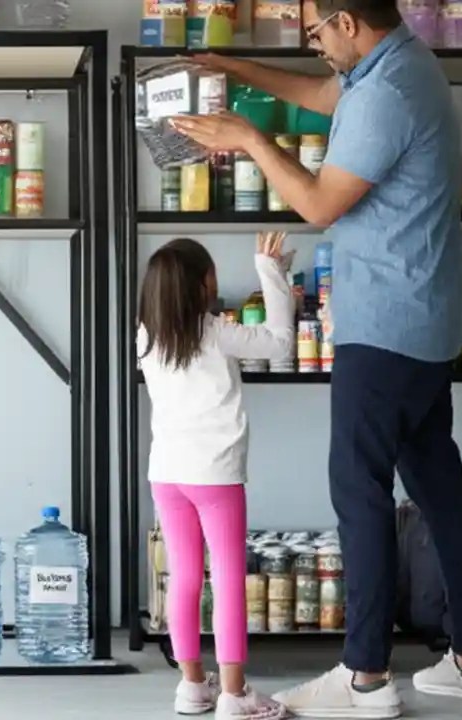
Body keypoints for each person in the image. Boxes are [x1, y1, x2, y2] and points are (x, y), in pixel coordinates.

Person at [170, 1, 462, 717]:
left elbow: (320, 205)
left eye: (318, 32)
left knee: (358, 494)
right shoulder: (402, 66)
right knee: (440, 489)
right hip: (421, 322)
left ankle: (364, 677)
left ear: (348, 22)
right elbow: (324, 95)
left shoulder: (386, 92)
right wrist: (235, 68)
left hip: (383, 326)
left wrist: (250, 139)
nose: (316, 47)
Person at [138, 233, 295, 720]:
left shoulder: (145, 336)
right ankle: (234, 693)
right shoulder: (215, 332)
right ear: (201, 285)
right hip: (216, 475)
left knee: (183, 578)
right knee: (227, 580)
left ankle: (191, 687)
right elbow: (279, 341)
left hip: (166, 473)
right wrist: (270, 271)